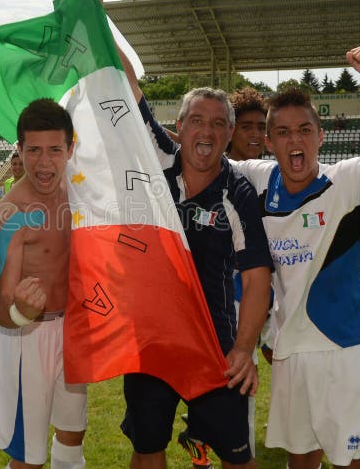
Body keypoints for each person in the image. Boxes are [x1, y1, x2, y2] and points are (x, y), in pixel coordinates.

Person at [230, 41, 360, 468]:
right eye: (282, 132)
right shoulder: (256, 179)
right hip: (290, 351)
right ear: (268, 142)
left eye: (304, 129)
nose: (294, 140)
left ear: (320, 136)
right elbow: (185, 151)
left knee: (351, 463)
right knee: (300, 462)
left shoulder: (346, 181)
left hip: (348, 349)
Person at [127, 82, 273, 468]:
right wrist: (95, 21)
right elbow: (130, 90)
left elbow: (258, 277)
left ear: (229, 133)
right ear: (180, 126)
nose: (206, 131)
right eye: (196, 121)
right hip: (153, 340)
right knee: (147, 449)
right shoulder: (159, 159)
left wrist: (243, 348)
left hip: (214, 346)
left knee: (236, 457)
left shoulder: (237, 192)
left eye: (218, 123)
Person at [0, 99, 86, 469]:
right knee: (28, 456)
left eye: (55, 150)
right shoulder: (13, 214)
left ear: (70, 149)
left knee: (72, 435)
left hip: (73, 331)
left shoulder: (80, 195)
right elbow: (2, 312)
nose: (45, 163)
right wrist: (21, 312)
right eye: (34, 151)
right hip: (29, 337)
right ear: (20, 150)